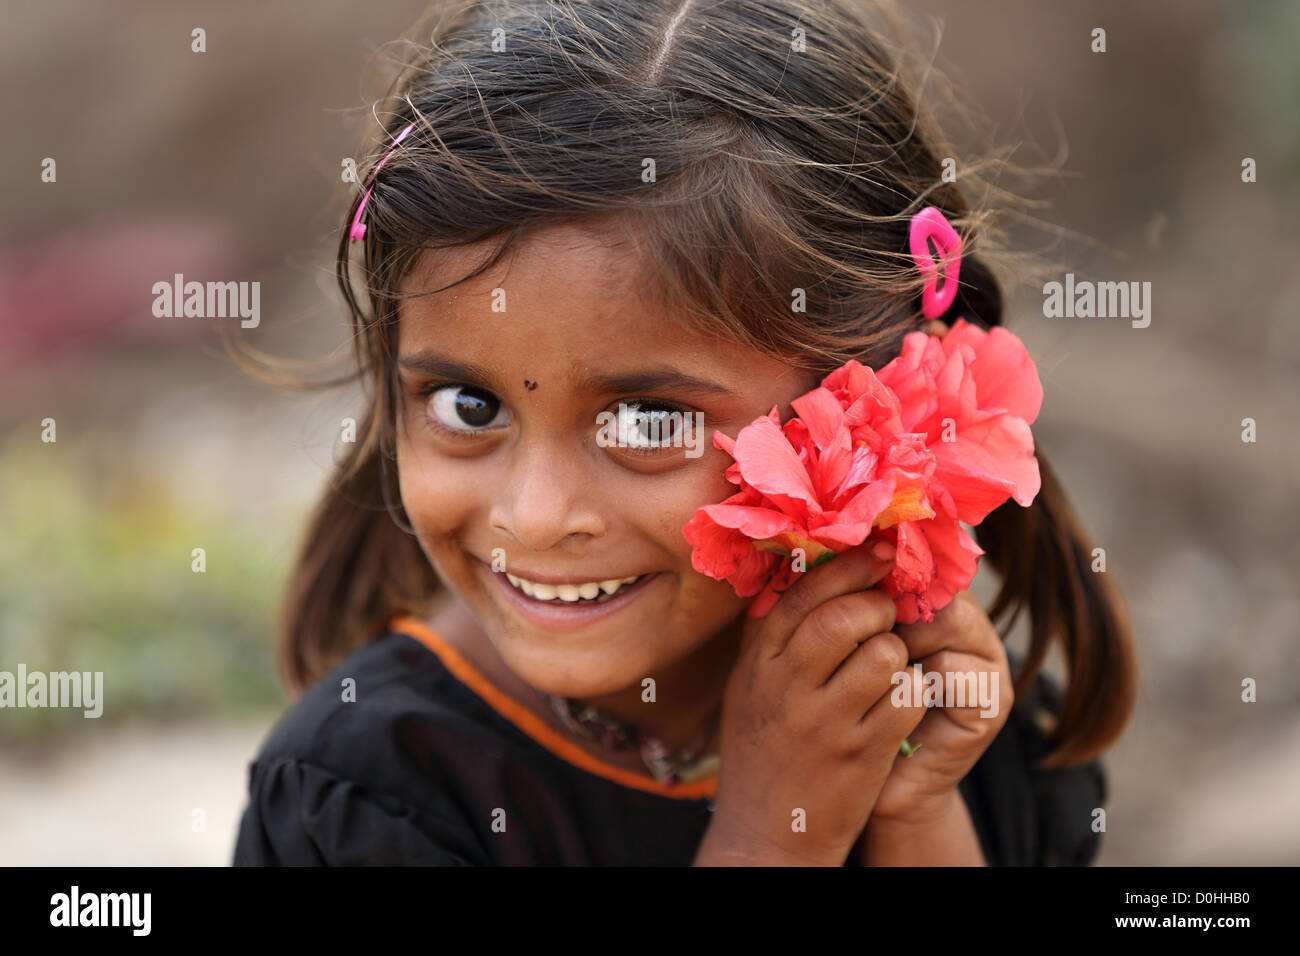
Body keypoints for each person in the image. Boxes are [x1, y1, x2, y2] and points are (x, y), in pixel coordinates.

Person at [232, 0, 1137, 866]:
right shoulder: (367, 801)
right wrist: (774, 839)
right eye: (469, 407)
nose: (538, 518)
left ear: (877, 408)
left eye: (646, 421)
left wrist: (914, 806)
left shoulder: (966, 732)